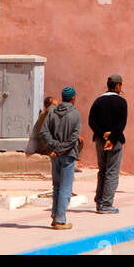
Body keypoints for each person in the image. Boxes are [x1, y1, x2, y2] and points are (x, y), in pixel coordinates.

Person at [43, 86, 83, 229]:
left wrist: (54, 147)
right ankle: (60, 219)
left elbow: (44, 132)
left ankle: (55, 216)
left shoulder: (52, 112)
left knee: (57, 186)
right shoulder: (76, 114)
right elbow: (74, 137)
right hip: (68, 155)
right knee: (66, 187)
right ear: (73, 98)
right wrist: (61, 149)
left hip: (55, 155)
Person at [88, 74, 127, 215]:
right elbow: (121, 123)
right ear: (117, 85)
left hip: (100, 140)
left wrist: (102, 134)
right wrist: (111, 138)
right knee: (112, 172)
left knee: (102, 170)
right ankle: (106, 204)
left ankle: (99, 201)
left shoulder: (98, 101)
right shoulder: (122, 102)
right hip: (115, 141)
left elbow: (91, 121)